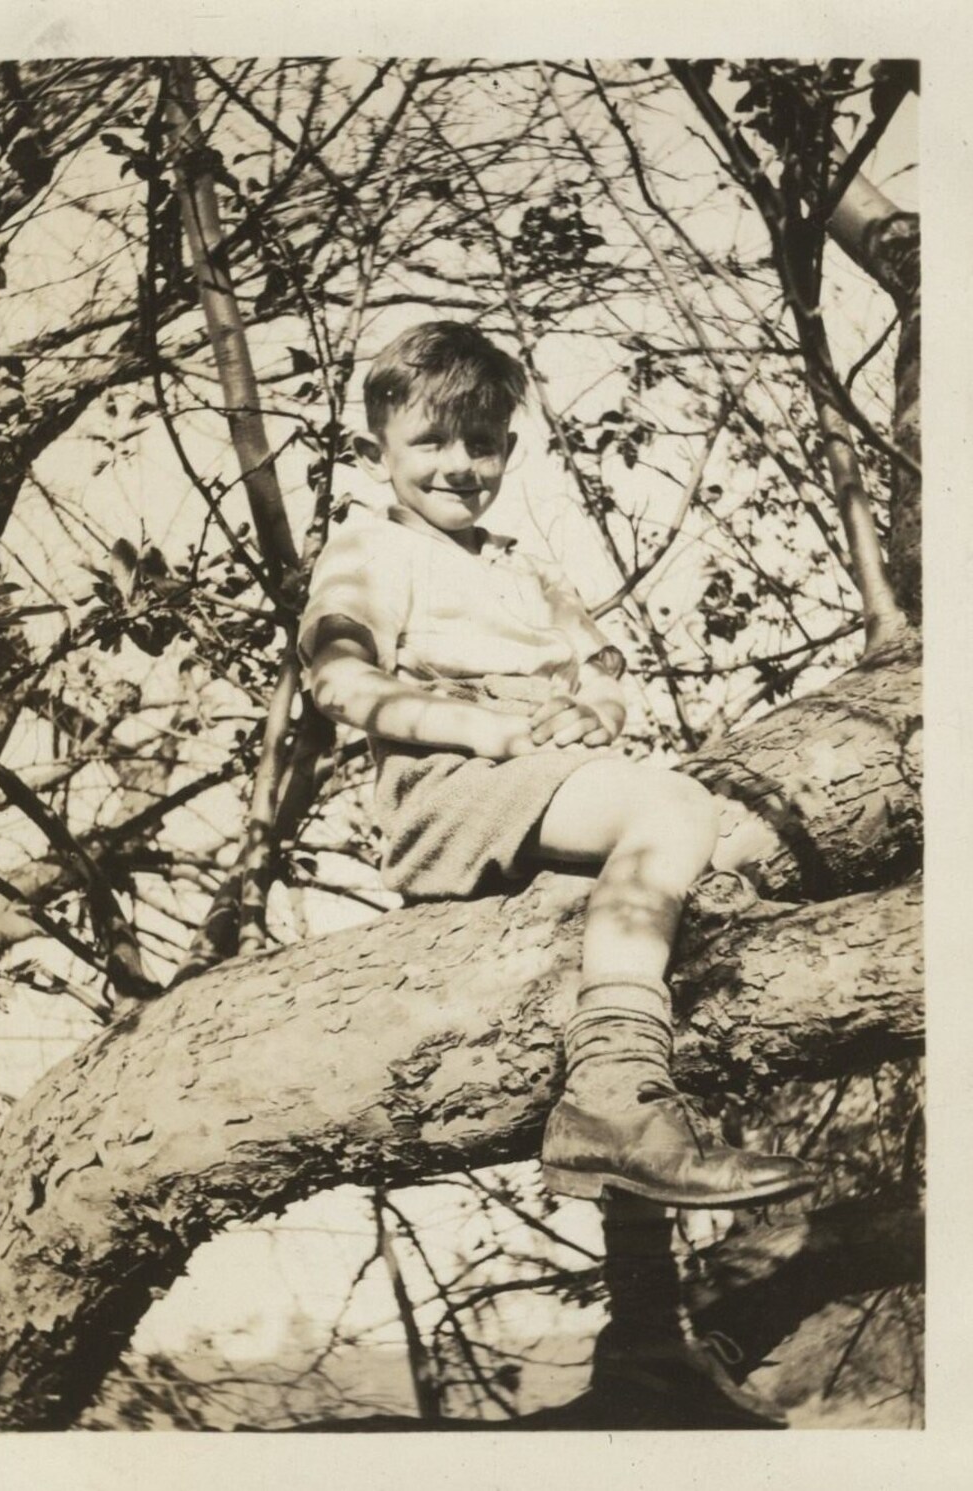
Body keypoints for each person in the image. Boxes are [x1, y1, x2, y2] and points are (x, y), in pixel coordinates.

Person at [299, 321, 816, 1209]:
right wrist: (480, 728)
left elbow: (606, 672)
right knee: (671, 811)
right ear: (373, 445)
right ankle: (612, 1104)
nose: (460, 464)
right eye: (430, 440)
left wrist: (588, 711)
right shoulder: (371, 547)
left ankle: (644, 1293)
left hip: (543, 777)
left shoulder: (527, 571)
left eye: (484, 444)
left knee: (689, 883)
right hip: (453, 789)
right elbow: (340, 681)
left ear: (511, 448)